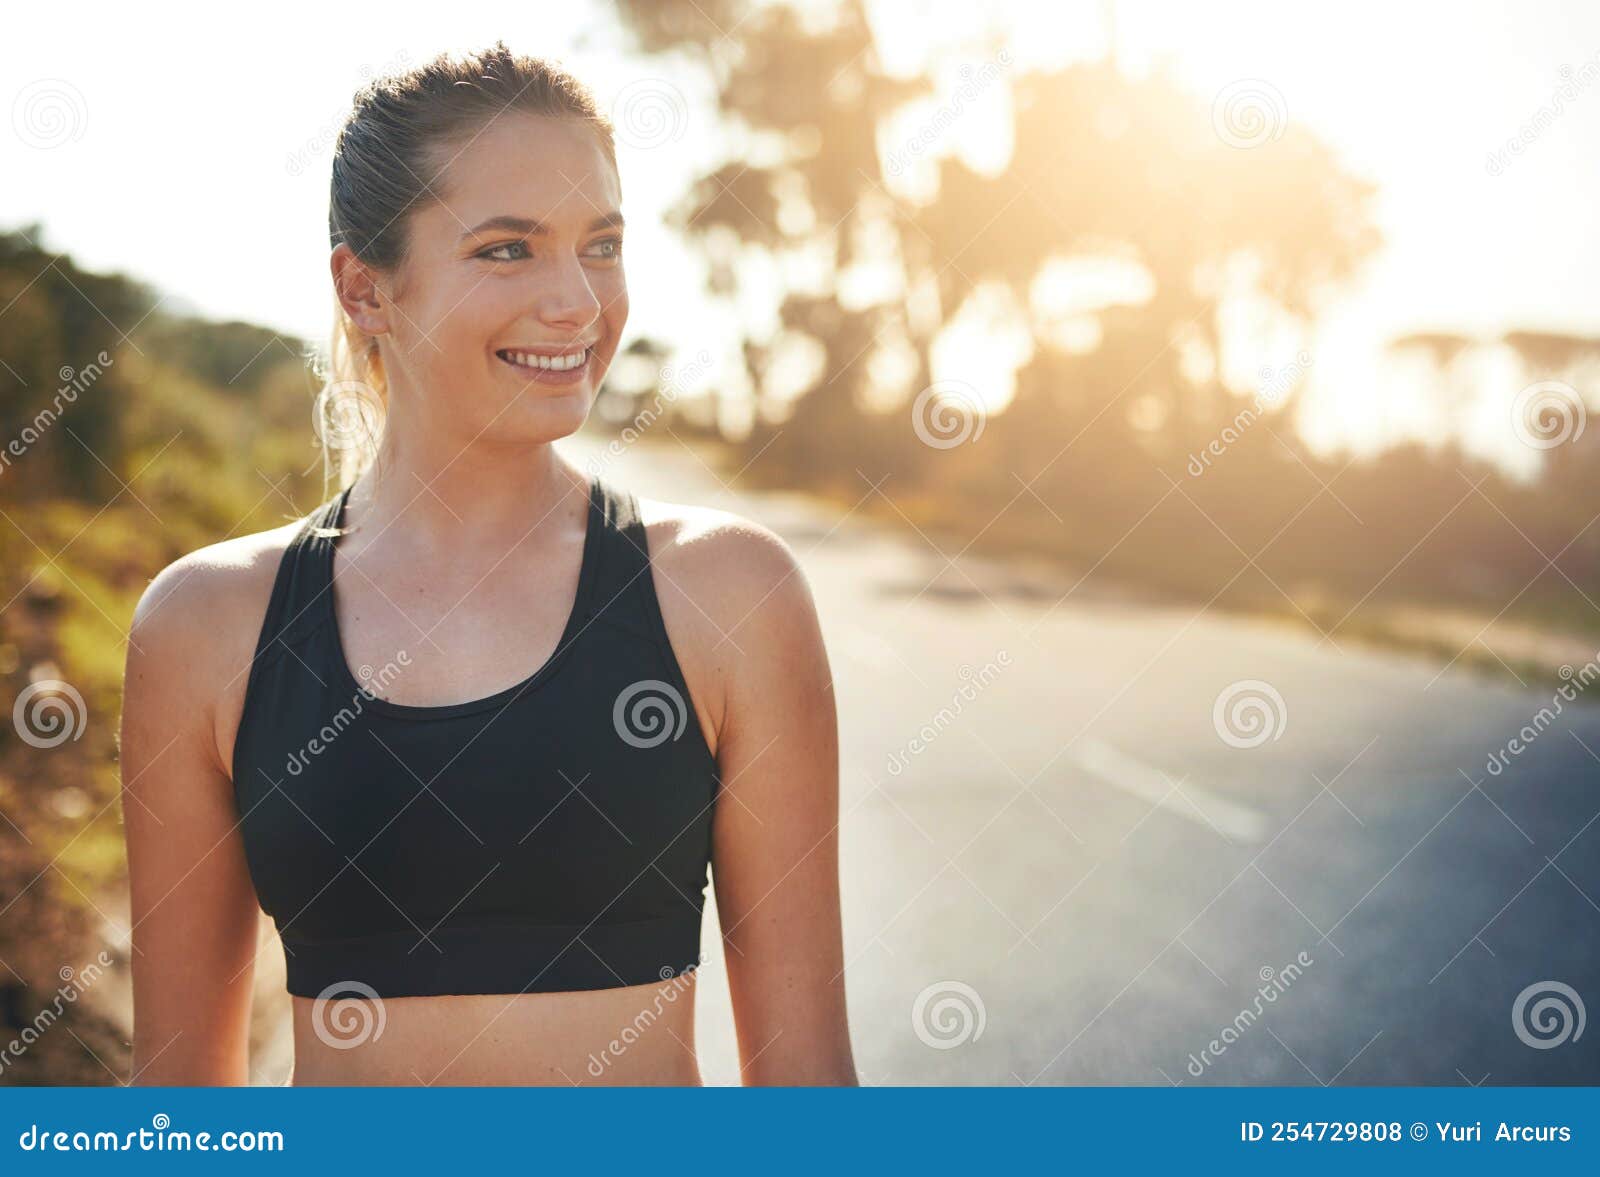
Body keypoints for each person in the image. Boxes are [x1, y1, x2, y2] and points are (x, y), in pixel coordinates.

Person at [119, 44, 855, 1086]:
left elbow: (809, 1087)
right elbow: (179, 1107)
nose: (578, 303)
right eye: (509, 250)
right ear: (365, 290)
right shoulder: (206, 624)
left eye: (599, 245)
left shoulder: (729, 593)